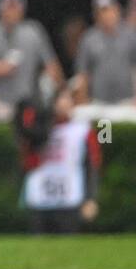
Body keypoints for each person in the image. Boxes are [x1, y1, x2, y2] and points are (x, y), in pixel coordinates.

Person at [21, 85, 101, 234]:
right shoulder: (38, 127)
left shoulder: (82, 129)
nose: (63, 104)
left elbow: (91, 164)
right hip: (39, 196)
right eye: (60, 99)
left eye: (67, 99)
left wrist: (91, 197)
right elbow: (28, 156)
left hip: (69, 198)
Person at [0, 0, 64, 106]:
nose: (11, 12)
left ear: (22, 9)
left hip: (28, 98)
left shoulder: (33, 31)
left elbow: (52, 65)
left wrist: (60, 90)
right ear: (0, 9)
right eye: (8, 7)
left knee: (48, 82)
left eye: (15, 7)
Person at [73, 0, 136, 106]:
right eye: (102, 12)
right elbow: (83, 74)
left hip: (128, 101)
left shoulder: (132, 34)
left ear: (117, 9)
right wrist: (82, 102)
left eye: (109, 10)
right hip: (99, 103)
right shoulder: (88, 38)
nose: (106, 15)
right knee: (103, 125)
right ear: (96, 15)